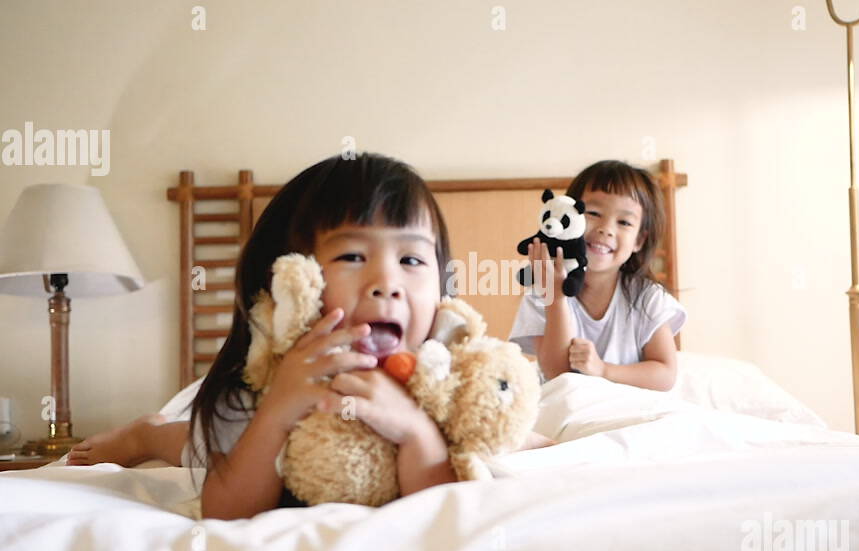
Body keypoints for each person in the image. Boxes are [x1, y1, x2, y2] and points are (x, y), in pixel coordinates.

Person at [68, 153, 553, 519]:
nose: (387, 283)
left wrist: (416, 430)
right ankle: (147, 433)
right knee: (190, 442)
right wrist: (278, 409)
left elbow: (445, 508)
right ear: (290, 282)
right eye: (351, 257)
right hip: (232, 434)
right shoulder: (259, 382)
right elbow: (229, 510)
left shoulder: (440, 370)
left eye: (411, 260)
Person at [509, 160, 687, 391]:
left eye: (624, 222)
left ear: (639, 241)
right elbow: (556, 373)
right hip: (569, 410)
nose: (606, 229)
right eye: (593, 213)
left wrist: (603, 370)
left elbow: (664, 374)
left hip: (629, 409)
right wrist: (556, 298)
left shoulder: (646, 297)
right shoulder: (540, 292)